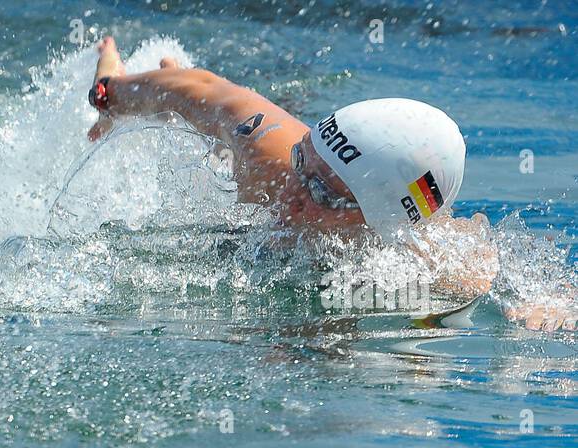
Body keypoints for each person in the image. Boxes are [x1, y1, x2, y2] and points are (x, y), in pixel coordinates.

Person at [85, 37, 574, 328]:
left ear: (377, 219)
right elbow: (208, 91)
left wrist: (553, 309)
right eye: (305, 163)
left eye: (323, 192)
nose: (293, 193)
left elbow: (514, 279)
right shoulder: (272, 159)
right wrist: (112, 91)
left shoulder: (424, 259)